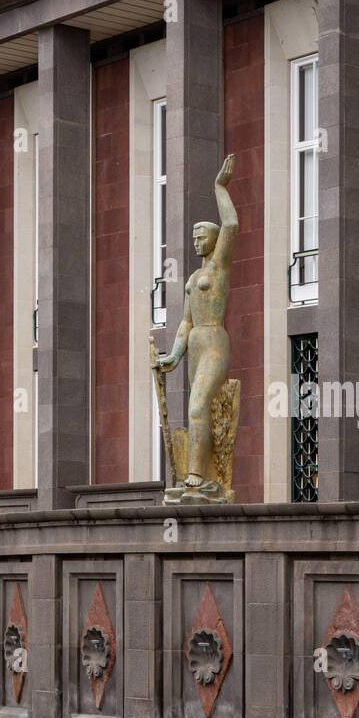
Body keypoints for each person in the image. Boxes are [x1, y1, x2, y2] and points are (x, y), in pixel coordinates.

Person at [156, 154, 238, 502]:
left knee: (196, 405)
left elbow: (232, 225)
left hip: (215, 341)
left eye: (201, 236)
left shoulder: (217, 268)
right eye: (193, 237)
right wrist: (173, 355)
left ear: (214, 240)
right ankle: (199, 476)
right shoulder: (192, 279)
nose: (195, 242)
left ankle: (196, 476)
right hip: (195, 342)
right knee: (196, 411)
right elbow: (186, 321)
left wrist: (219, 186)